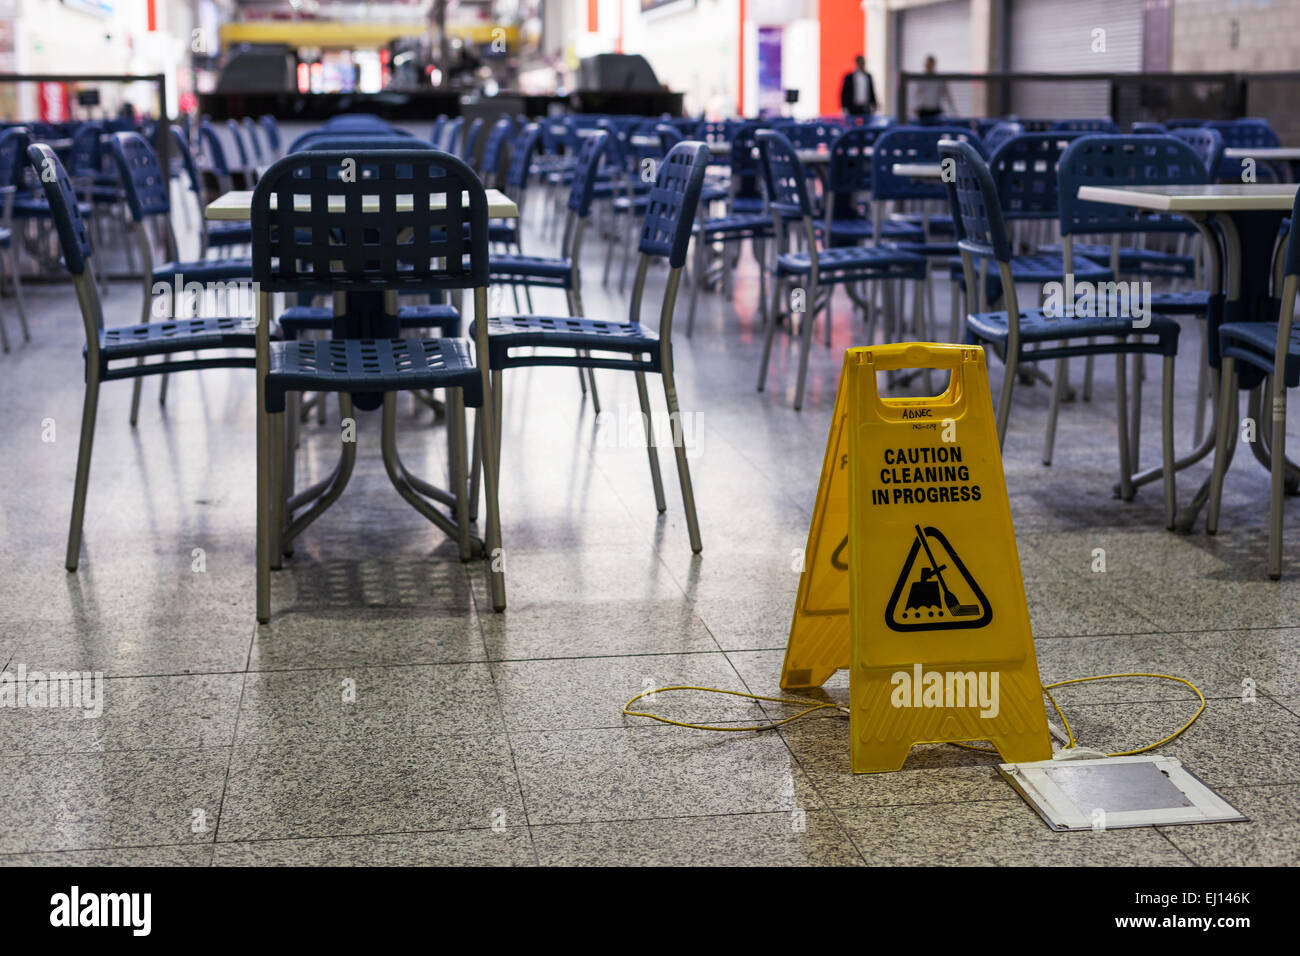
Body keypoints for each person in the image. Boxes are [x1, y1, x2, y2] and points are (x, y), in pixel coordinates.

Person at [914, 55, 955, 123]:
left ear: (933, 65)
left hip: (936, 111)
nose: (929, 66)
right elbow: (916, 94)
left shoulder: (939, 79)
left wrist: (953, 111)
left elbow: (947, 95)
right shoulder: (921, 79)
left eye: (930, 64)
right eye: (927, 64)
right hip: (923, 111)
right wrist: (915, 107)